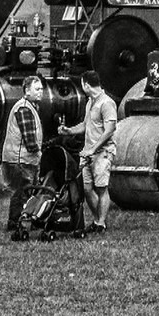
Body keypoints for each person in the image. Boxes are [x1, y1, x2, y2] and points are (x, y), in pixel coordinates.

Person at [58, 70, 117, 235]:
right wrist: (69, 131)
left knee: (101, 188)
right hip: (88, 153)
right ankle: (97, 220)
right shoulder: (90, 102)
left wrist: (93, 149)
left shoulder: (107, 103)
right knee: (86, 188)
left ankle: (101, 223)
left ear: (86, 84)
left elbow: (110, 129)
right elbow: (85, 125)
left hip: (103, 153)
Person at [4, 76, 44, 235]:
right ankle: (18, 223)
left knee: (21, 192)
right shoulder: (24, 109)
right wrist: (39, 151)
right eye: (37, 89)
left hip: (20, 158)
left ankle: (18, 221)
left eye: (41, 89)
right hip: (21, 159)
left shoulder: (29, 106)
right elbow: (30, 139)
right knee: (22, 192)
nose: (41, 92)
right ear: (27, 91)